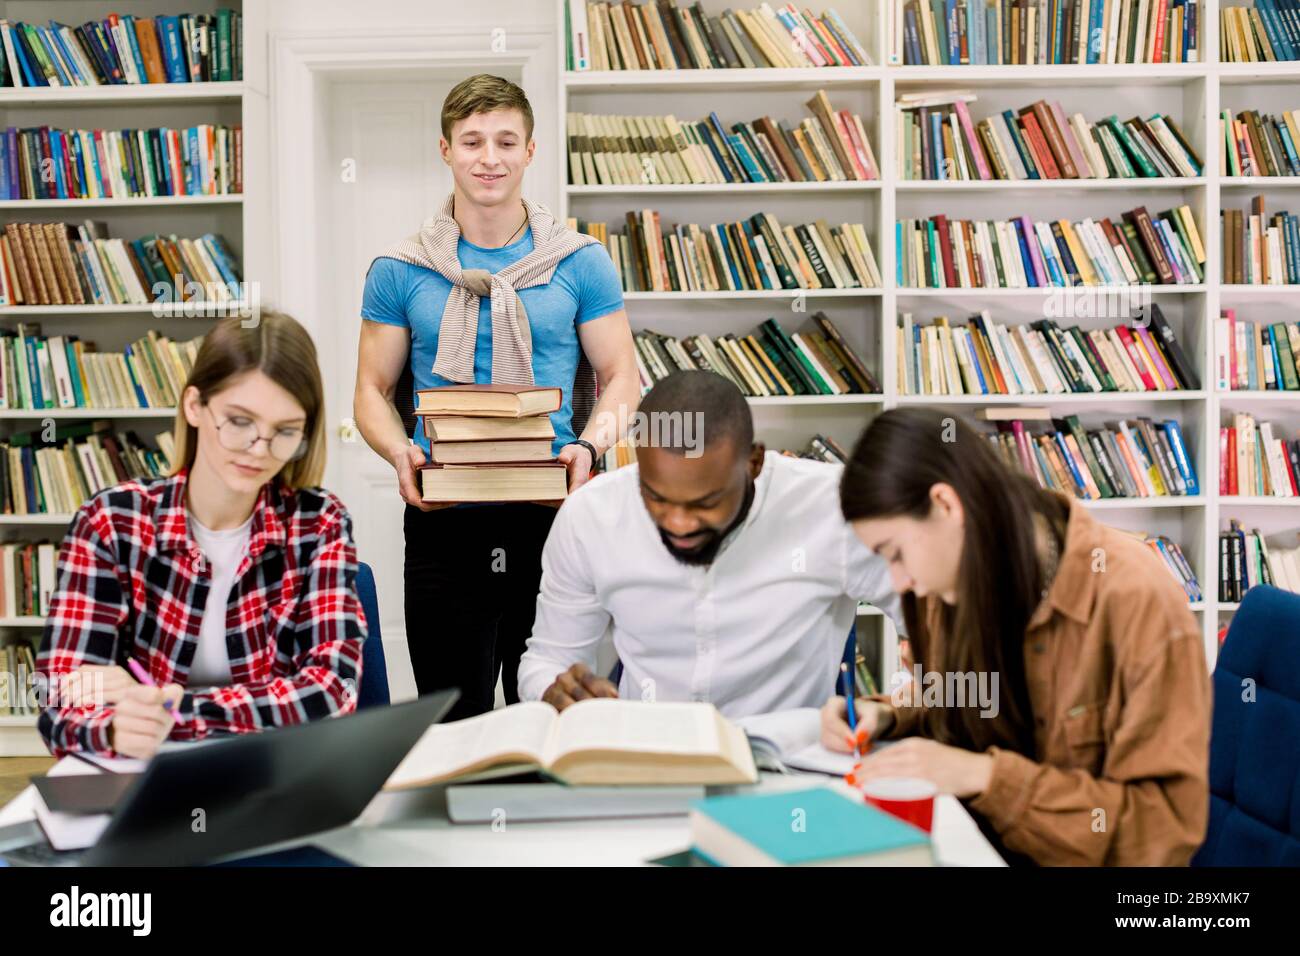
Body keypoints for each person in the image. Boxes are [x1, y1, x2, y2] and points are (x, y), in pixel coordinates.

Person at [354, 73, 638, 721]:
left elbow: (623, 376)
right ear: (445, 150)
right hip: (443, 517)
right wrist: (399, 452)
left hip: (552, 515)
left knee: (555, 712)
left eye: (506, 141)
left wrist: (590, 447)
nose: (489, 157)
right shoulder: (400, 269)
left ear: (531, 152)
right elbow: (369, 391)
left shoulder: (580, 261)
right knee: (451, 719)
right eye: (473, 141)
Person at [819, 407, 1210, 866]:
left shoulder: (1135, 600)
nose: (900, 581)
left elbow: (1161, 829)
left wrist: (986, 777)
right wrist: (886, 715)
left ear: (947, 505)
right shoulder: (955, 579)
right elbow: (964, 698)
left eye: (896, 553)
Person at [37, 311, 366, 759]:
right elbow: (59, 695)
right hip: (143, 775)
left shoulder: (319, 522)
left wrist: (170, 709)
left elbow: (331, 692)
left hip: (275, 773)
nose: (259, 449)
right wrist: (114, 728)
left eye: (285, 432)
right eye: (239, 421)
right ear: (194, 405)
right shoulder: (111, 521)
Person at [517, 370, 901, 718]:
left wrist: (903, 710)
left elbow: (947, 622)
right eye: (656, 498)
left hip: (791, 767)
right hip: (649, 761)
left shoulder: (837, 507)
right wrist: (553, 691)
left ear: (753, 463)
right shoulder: (592, 516)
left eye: (706, 502)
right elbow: (549, 657)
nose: (680, 523)